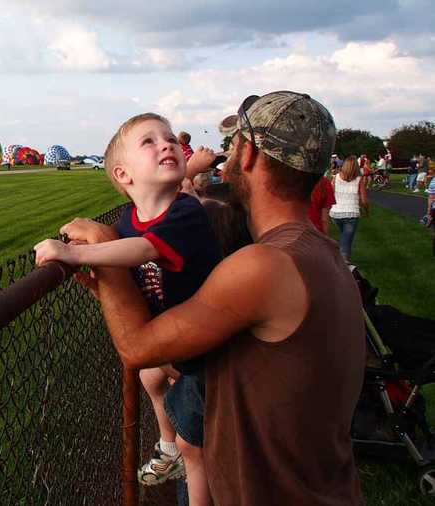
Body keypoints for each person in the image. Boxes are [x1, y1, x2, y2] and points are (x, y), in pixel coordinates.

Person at [60, 91, 364, 505]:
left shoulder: (264, 267)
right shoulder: (319, 252)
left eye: (234, 144)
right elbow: (205, 360)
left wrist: (100, 248)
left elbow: (136, 347)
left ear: (251, 156)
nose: (225, 154)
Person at [34, 113, 222, 505]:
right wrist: (98, 283)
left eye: (169, 138)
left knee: (196, 450)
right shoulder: (127, 222)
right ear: (124, 175)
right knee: (188, 437)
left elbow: (145, 251)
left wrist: (74, 252)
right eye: (149, 142)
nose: (167, 144)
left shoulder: (184, 212)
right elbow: (136, 286)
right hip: (182, 350)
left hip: (210, 356)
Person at [330, 156, 368, 262]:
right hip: (351, 214)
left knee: (344, 236)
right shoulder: (359, 180)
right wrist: (366, 211)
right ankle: (345, 265)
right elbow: (364, 201)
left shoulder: (335, 177)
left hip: (335, 214)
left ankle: (338, 258)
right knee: (346, 241)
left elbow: (330, 194)